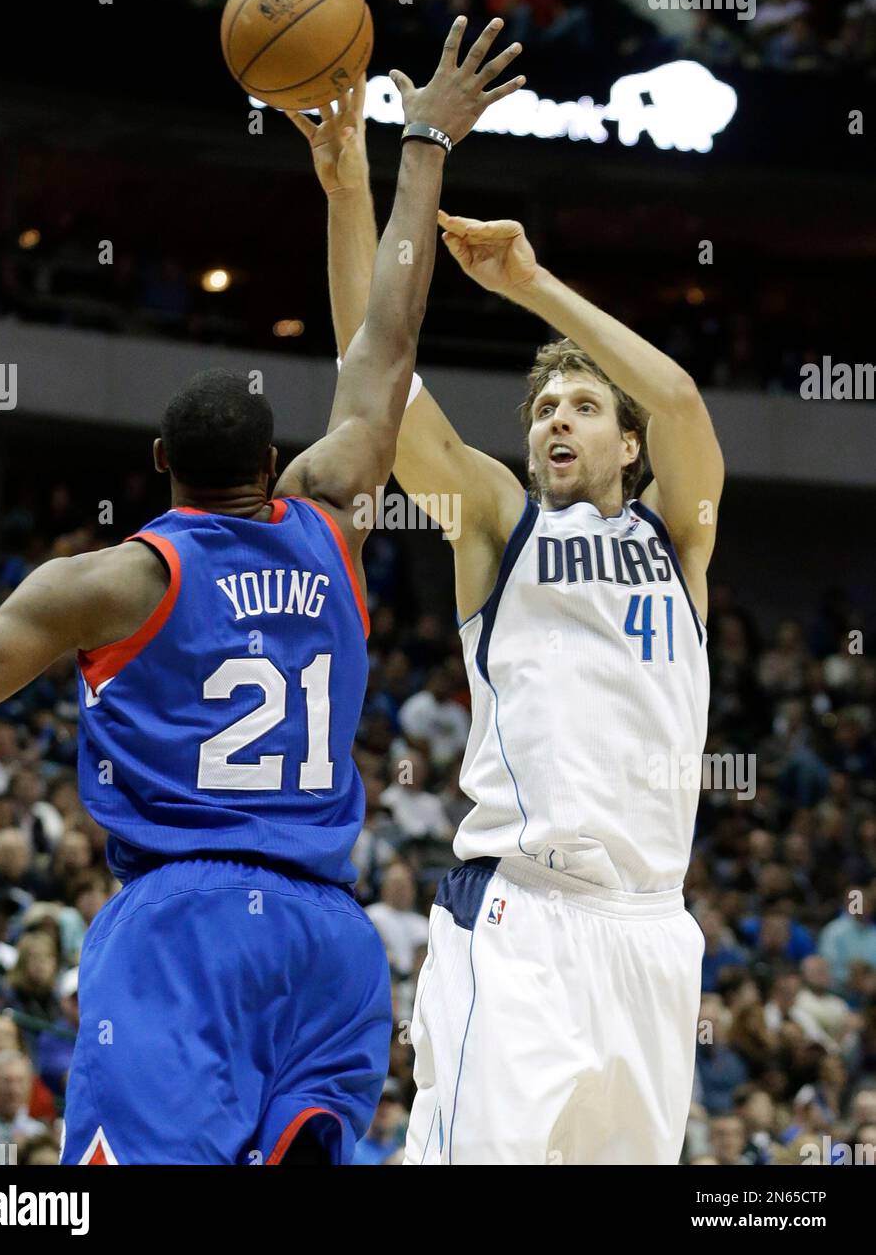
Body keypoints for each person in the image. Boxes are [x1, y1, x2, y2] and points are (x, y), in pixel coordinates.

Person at [0, 17, 524, 1167]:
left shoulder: (109, 581)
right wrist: (415, 150)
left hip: (183, 930)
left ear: (159, 467)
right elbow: (385, 348)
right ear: (276, 466)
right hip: (330, 941)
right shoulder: (331, 512)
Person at [293, 69, 723, 1164]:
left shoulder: (679, 543)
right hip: (519, 918)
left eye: (580, 406)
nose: (554, 421)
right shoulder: (495, 521)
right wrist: (349, 190)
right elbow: (375, 382)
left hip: (652, 934)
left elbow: (674, 397)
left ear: (626, 447)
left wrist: (531, 284)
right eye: (542, 408)